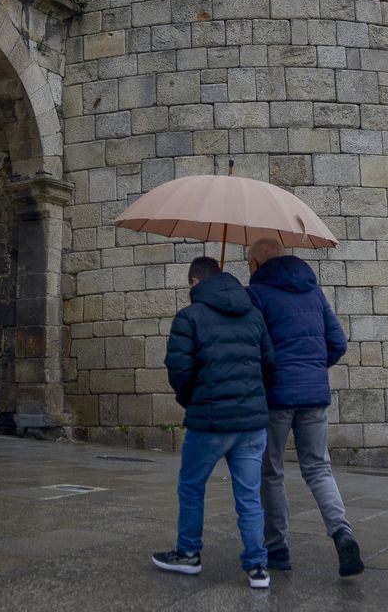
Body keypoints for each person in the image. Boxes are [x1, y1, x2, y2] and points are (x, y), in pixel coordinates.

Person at [152, 256, 276, 589]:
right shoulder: (253, 315)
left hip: (208, 423)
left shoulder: (189, 317)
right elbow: (269, 362)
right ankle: (257, 567)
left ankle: (189, 553)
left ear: (195, 282)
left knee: (192, 488)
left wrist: (192, 399)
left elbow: (179, 370)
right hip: (251, 423)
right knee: (248, 495)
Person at [246, 237, 363, 577]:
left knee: (271, 471)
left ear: (255, 265)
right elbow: (337, 342)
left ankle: (277, 548)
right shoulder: (314, 292)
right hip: (314, 395)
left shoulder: (258, 294)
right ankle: (342, 533)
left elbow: (255, 346)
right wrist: (313, 367)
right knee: (318, 468)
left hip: (276, 397)